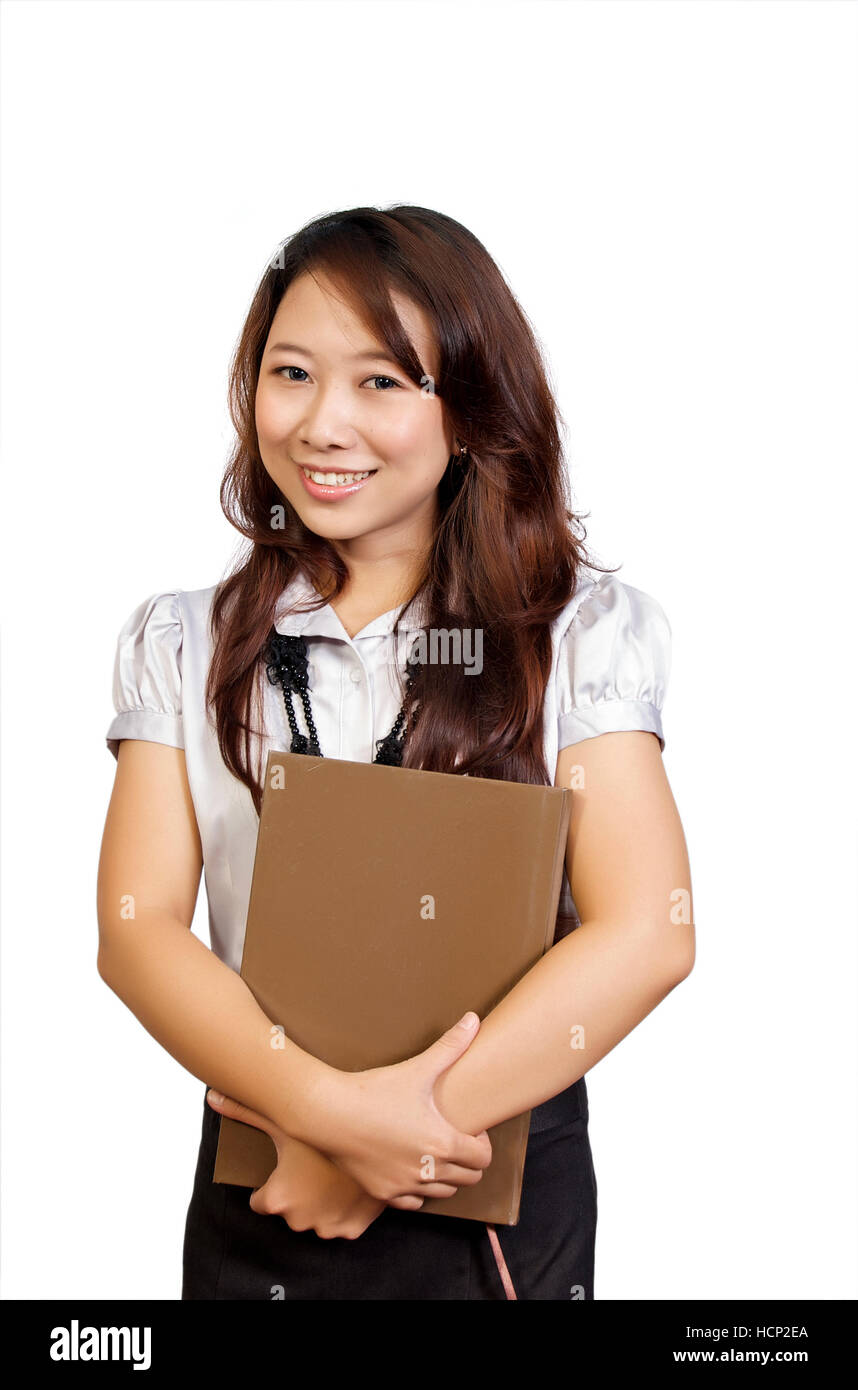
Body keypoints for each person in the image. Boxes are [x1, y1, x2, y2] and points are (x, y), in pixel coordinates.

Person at [97, 205, 694, 1301]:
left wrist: (385, 1145)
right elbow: (138, 933)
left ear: (468, 411)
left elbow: (647, 932)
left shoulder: (574, 632)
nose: (324, 423)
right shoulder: (184, 640)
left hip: (492, 1178)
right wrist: (322, 1117)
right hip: (267, 1169)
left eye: (381, 381)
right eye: (291, 373)